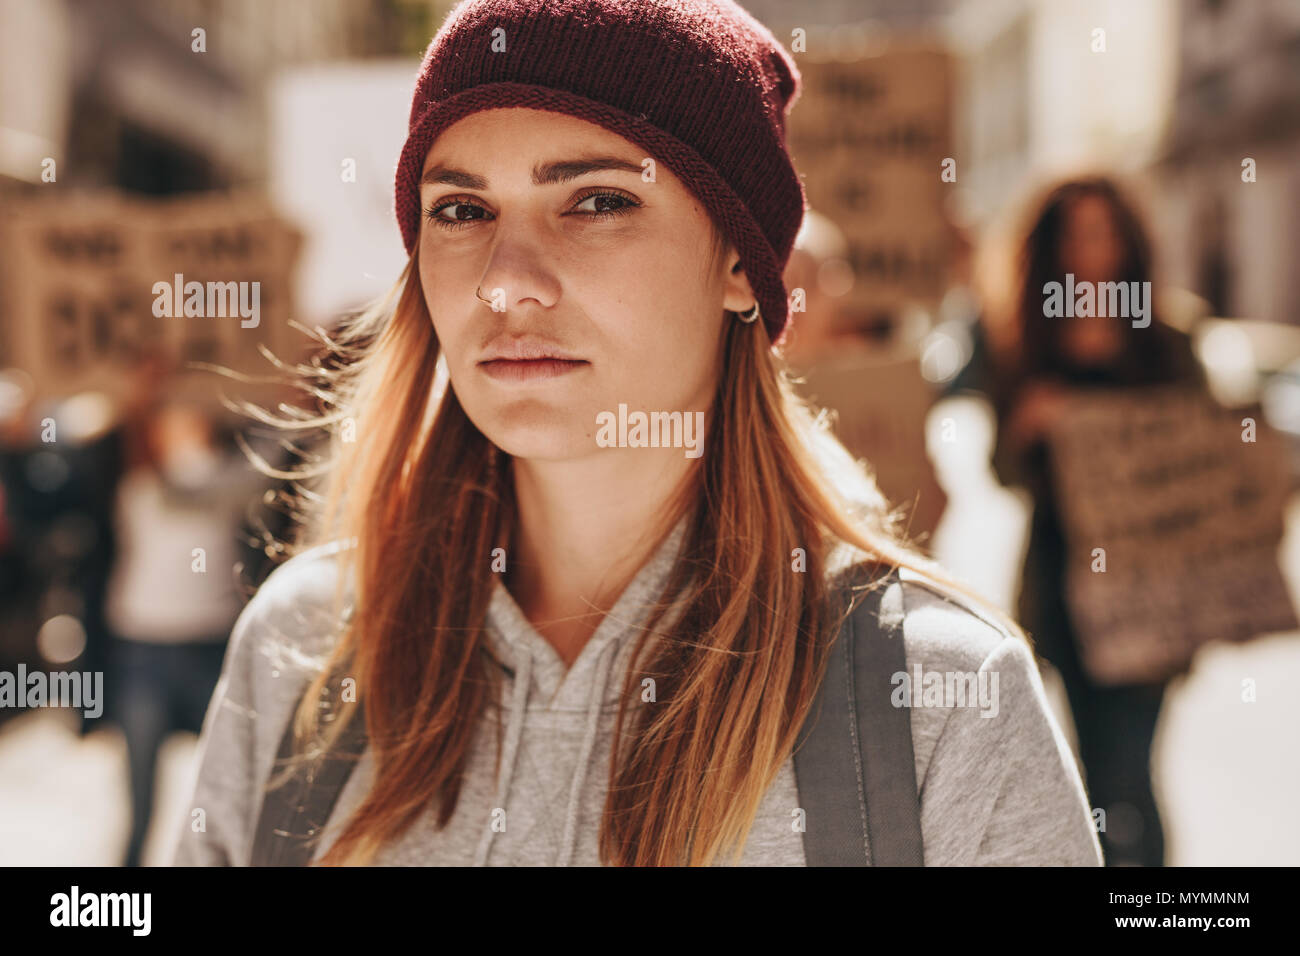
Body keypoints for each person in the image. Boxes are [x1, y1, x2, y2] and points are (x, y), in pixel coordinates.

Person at [173, 0, 1101, 867]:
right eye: (461, 209)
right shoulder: (303, 648)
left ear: (743, 264)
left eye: (596, 201)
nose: (506, 280)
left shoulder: (941, 700)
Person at [945, 175, 1210, 866]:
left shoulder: (1169, 341)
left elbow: (1206, 464)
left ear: (1128, 243)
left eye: (1102, 232)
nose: (1089, 251)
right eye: (1074, 235)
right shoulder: (1024, 343)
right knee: (1085, 778)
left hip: (1153, 595)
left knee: (1128, 777)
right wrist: (1031, 427)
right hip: (1061, 592)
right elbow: (1002, 473)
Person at [105, 399, 267, 866]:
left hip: (211, 648)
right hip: (145, 649)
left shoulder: (235, 480)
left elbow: (263, 462)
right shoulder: (142, 484)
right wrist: (142, 391)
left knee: (232, 787)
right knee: (139, 797)